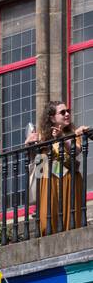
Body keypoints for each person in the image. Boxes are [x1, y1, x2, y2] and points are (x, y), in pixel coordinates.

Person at [26, 100, 89, 235]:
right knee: (47, 220)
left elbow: (76, 151)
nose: (67, 114)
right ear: (52, 117)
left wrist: (61, 138)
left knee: (70, 220)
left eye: (68, 111)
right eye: (62, 112)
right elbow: (38, 164)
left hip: (69, 180)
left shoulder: (72, 132)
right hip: (48, 181)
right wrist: (29, 145)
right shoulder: (42, 136)